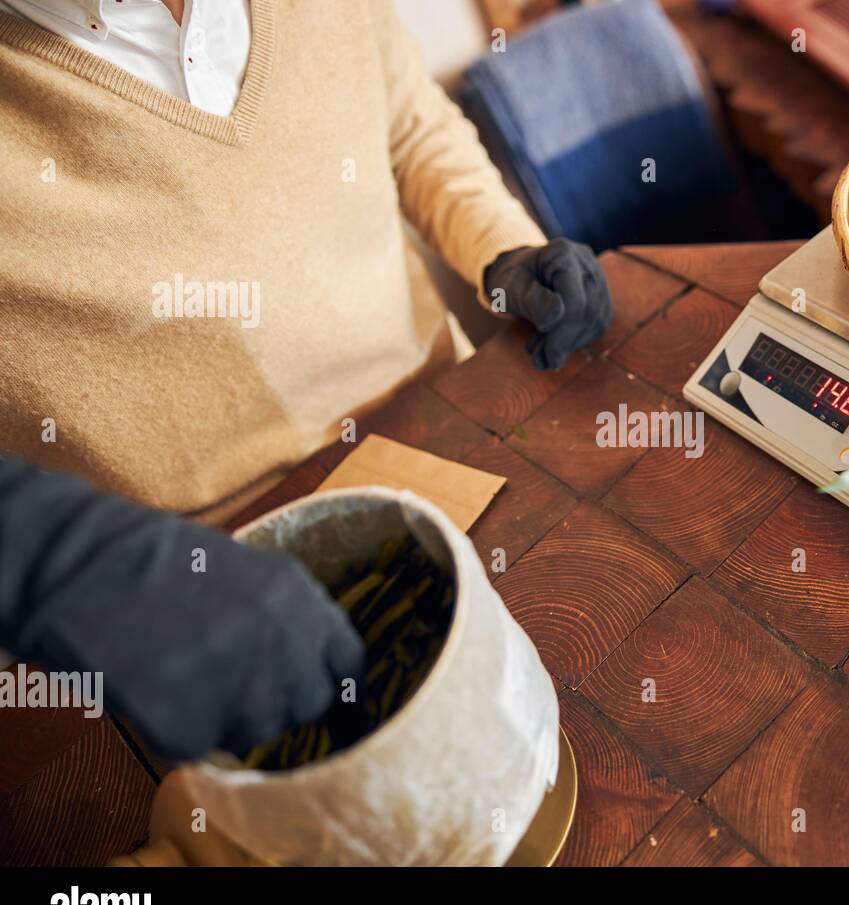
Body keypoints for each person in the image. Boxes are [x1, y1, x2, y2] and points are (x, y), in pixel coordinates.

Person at [0, 0, 611, 757]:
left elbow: (412, 125)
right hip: (197, 623)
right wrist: (78, 568)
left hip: (450, 442)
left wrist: (506, 251)